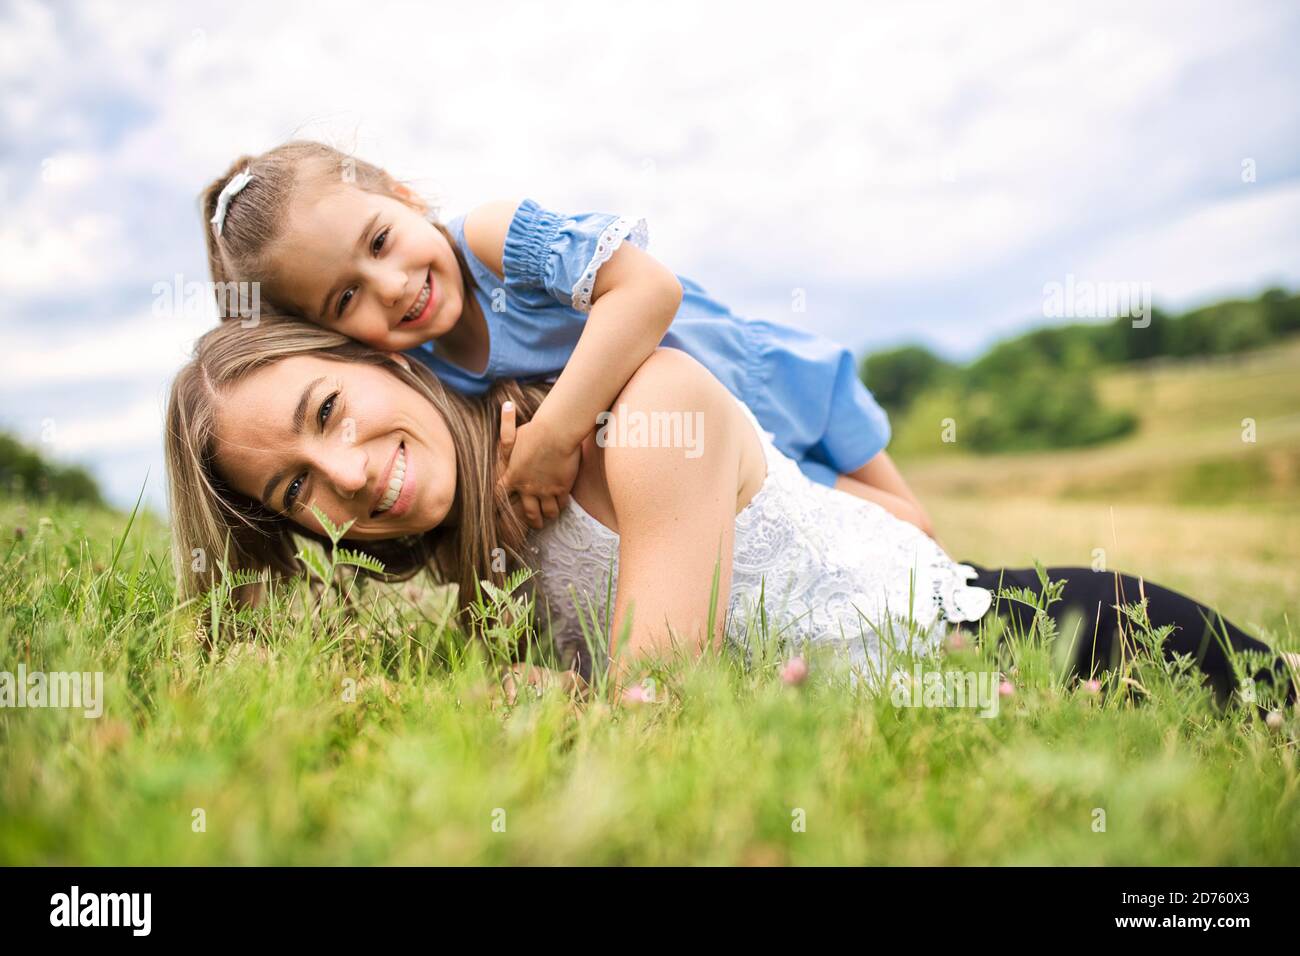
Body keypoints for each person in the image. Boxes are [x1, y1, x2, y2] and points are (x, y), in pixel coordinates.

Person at [164, 319, 1297, 712]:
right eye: (294, 489)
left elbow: (658, 700)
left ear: (381, 358)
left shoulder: (643, 407)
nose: (346, 474)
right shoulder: (482, 549)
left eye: (327, 409)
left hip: (1071, 642)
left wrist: (553, 698)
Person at [198, 140, 929, 536]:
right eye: (346, 296)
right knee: (827, 522)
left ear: (404, 196)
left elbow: (648, 292)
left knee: (906, 527)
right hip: (712, 450)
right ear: (333, 336)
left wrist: (550, 439)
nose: (390, 285)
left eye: (381, 240)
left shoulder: (492, 238)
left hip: (759, 379)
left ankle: (969, 614)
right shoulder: (425, 368)